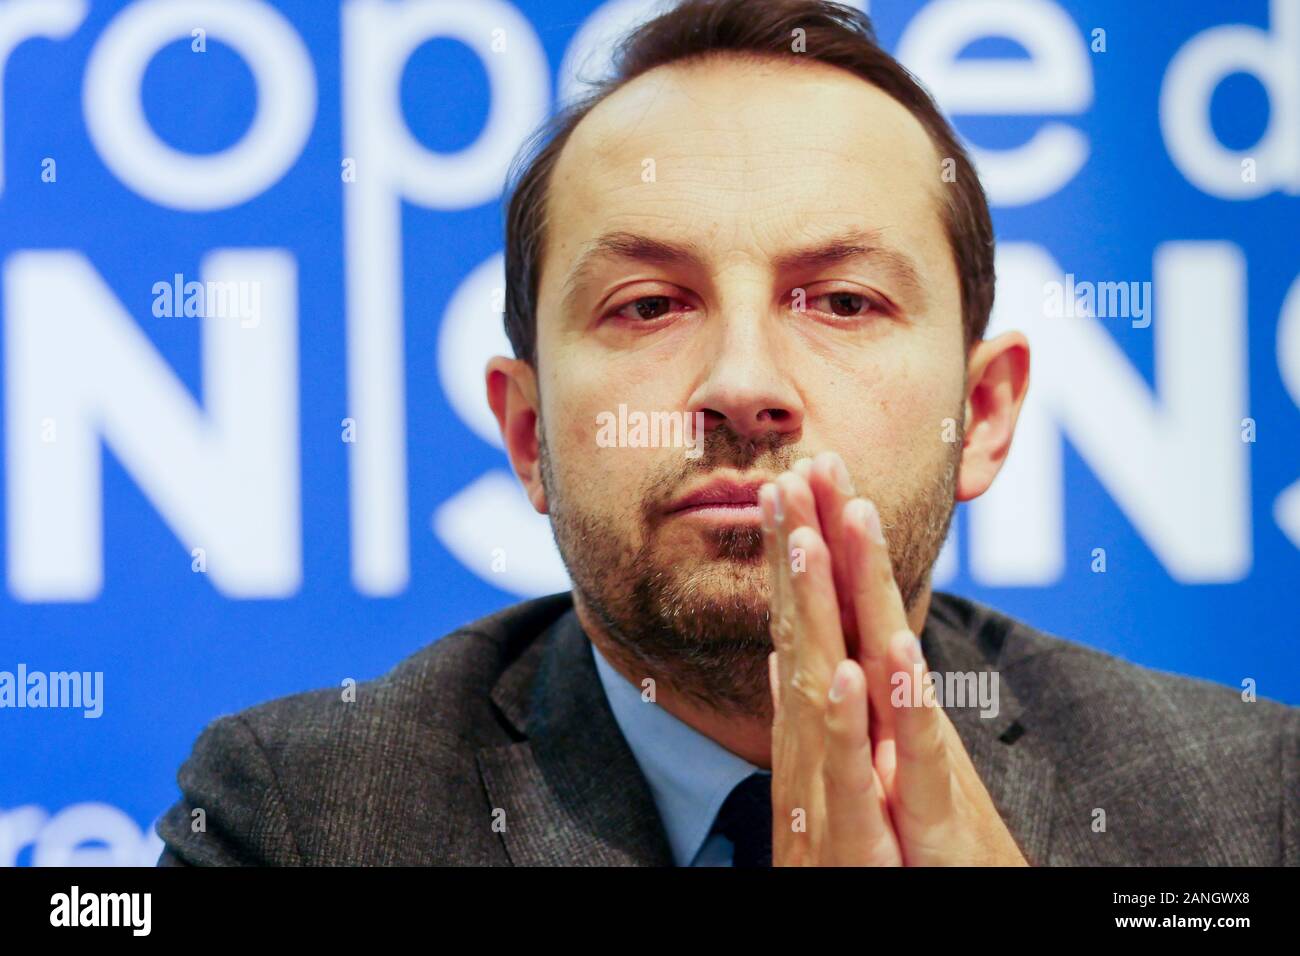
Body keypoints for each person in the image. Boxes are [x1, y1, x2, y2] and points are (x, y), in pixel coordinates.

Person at [156, 0, 1299, 866]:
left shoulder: (1249, 805)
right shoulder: (304, 818)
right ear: (525, 433)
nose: (743, 385)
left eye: (843, 301)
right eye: (648, 305)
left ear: (984, 413)